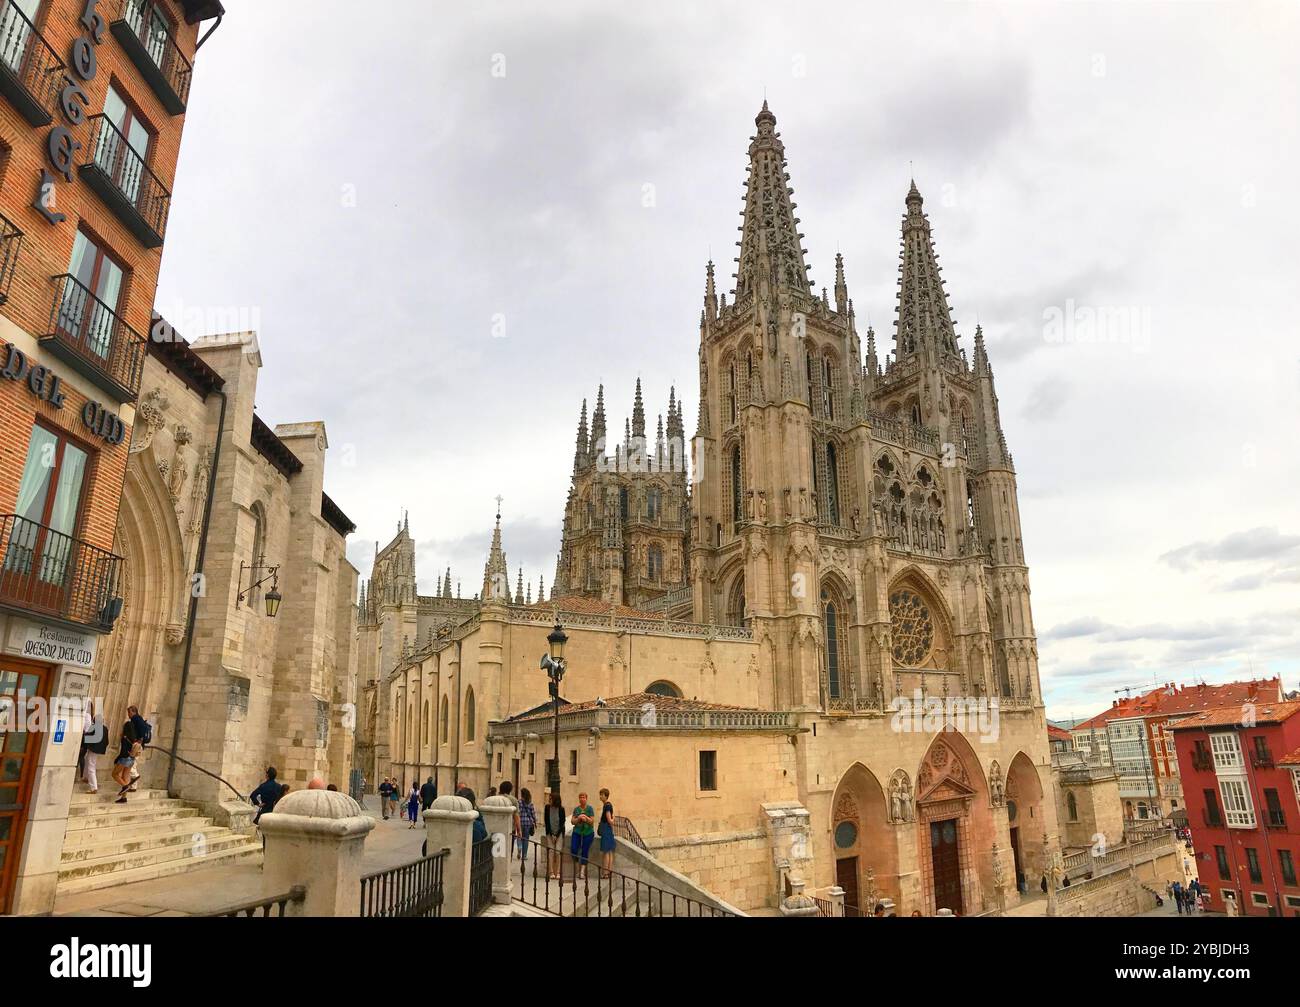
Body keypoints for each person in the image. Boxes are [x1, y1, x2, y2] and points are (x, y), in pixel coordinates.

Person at [111, 710, 143, 803]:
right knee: (125, 775)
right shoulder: (134, 738)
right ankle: (124, 797)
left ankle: (126, 786)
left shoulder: (125, 738)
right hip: (132, 758)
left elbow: (124, 751)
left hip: (125, 758)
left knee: (115, 774)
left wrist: (118, 758)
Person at [79, 701, 108, 794]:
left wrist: (85, 745)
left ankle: (93, 787)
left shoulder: (94, 727)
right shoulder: (105, 728)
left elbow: (87, 737)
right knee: (89, 762)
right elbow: (107, 741)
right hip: (98, 750)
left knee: (91, 766)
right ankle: (86, 778)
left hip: (93, 749)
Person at [570, 791, 596, 880]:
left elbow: (592, 821)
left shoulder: (590, 809)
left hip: (588, 832)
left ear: (586, 798)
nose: (582, 799)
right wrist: (579, 818)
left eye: (583, 797)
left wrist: (585, 818)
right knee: (573, 849)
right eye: (580, 797)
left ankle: (582, 872)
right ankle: (577, 869)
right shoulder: (576, 809)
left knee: (585, 850)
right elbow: (572, 821)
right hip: (577, 832)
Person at [543, 791, 565, 879]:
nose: (549, 800)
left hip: (559, 833)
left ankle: (558, 872)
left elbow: (562, 822)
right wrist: (552, 834)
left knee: (558, 852)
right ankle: (551, 872)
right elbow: (546, 821)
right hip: (550, 833)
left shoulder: (561, 809)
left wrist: (557, 834)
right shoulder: (547, 808)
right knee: (551, 851)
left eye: (551, 799)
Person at [597, 788, 616, 879]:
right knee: (609, 851)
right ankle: (609, 871)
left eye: (602, 795)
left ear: (605, 795)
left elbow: (609, 820)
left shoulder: (607, 806)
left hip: (606, 829)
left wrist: (613, 819)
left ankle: (605, 872)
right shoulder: (608, 805)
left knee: (606, 852)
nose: (600, 796)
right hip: (608, 829)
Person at [517, 788, 536, 864]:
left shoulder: (519, 802)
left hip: (520, 822)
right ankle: (524, 855)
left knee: (519, 836)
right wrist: (535, 821)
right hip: (528, 823)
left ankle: (519, 848)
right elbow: (533, 814)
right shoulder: (530, 803)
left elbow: (518, 812)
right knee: (526, 839)